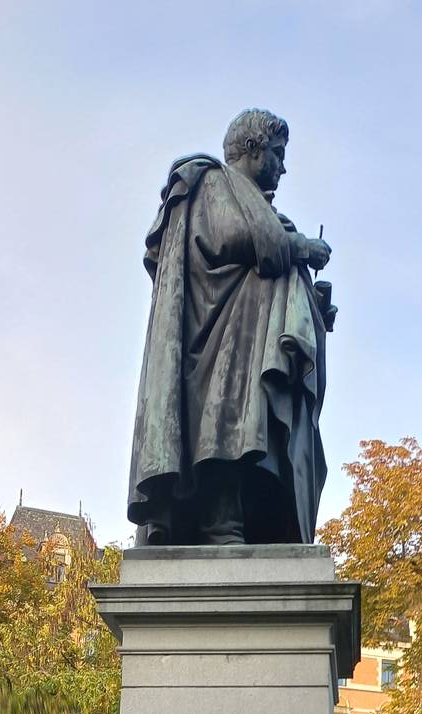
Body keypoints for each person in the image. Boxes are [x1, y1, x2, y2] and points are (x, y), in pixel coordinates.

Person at [127, 109, 334, 547]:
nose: (283, 166)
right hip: (216, 340)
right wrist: (301, 248)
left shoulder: (261, 208)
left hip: (246, 341)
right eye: (277, 154)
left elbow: (267, 264)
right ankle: (222, 522)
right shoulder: (212, 183)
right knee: (225, 429)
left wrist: (312, 309)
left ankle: (243, 522)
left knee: (250, 433)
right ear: (253, 149)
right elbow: (229, 237)